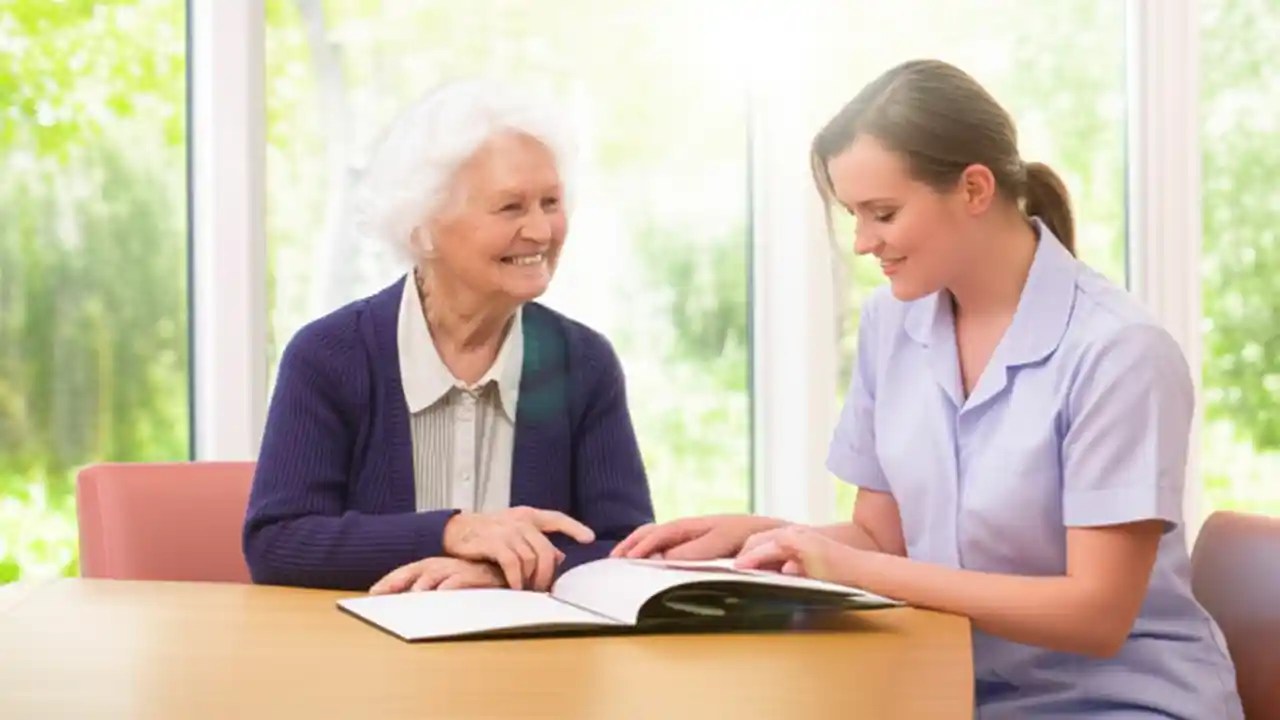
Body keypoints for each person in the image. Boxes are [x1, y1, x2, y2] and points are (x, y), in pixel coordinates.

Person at [613, 59, 1243, 718]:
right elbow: (885, 540)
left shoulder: (1118, 352)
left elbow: (1094, 614)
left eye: (882, 213)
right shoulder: (894, 322)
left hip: (1120, 701)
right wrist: (759, 538)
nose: (862, 243)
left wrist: (845, 566)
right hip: (950, 690)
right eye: (853, 215)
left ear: (974, 189)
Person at [244, 80, 654, 594]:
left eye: (550, 202)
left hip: (534, 666)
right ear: (425, 226)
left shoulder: (584, 363)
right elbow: (278, 543)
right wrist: (452, 531)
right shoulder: (329, 356)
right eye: (511, 208)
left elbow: (627, 550)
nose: (542, 231)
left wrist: (493, 573)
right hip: (367, 660)